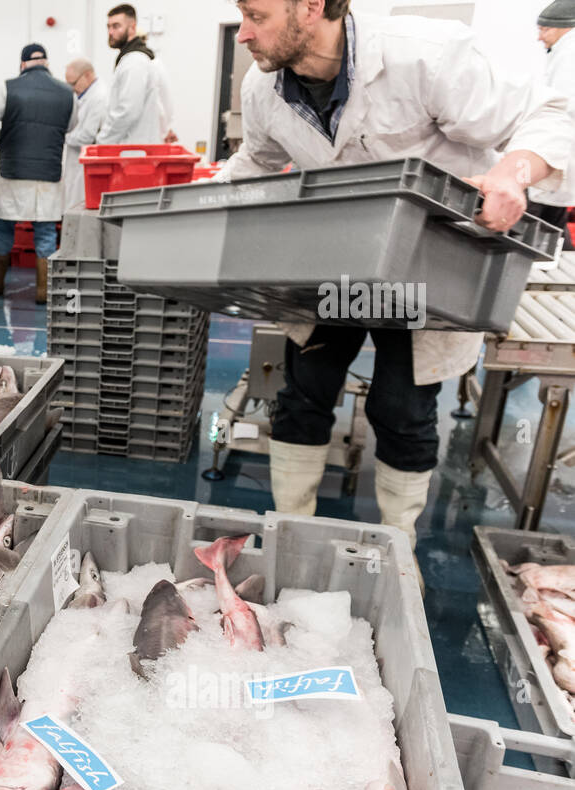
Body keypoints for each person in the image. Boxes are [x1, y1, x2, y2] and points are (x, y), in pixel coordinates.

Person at [223, 0, 571, 568]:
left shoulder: (424, 56)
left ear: (311, 8)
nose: (244, 34)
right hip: (333, 261)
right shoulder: (264, 89)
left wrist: (514, 171)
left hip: (430, 268)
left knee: (402, 408)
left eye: (256, 15)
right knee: (302, 393)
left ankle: (398, 550)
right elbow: (255, 164)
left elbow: (548, 112)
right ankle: (289, 532)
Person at [0, 45, 77, 305]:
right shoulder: (68, 93)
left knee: (3, 227)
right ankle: (44, 288)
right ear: (46, 63)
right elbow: (71, 125)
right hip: (48, 173)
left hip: (13, 171)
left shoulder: (7, 88)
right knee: (45, 232)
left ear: (22, 64)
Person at [97, 4, 178, 146]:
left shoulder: (134, 62)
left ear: (132, 27)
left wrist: (102, 140)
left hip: (134, 147)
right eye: (108, 27)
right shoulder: (139, 59)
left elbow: (128, 111)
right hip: (138, 145)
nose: (110, 32)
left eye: (116, 26)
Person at [531, 1, 575, 230]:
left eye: (544, 29)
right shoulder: (564, 52)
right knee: (553, 228)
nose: (540, 37)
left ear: (566, 27)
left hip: (552, 153)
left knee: (535, 225)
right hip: (559, 158)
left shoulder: (569, 53)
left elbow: (562, 104)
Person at [62, 59, 109, 210]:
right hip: (77, 167)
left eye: (73, 83)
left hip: (86, 169)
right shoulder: (85, 95)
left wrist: (62, 137)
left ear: (87, 75)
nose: (72, 89)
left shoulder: (99, 98)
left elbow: (87, 137)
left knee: (80, 207)